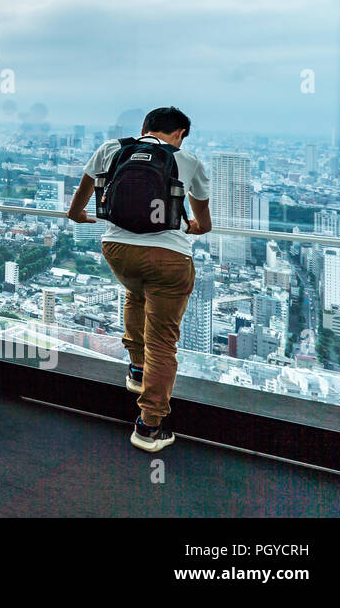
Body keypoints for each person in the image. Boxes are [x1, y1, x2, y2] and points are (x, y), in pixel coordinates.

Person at [67, 106, 212, 452]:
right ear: (178, 134)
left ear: (144, 128)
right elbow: (203, 220)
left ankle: (136, 369)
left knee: (135, 293)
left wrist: (81, 217)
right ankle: (149, 426)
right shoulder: (186, 159)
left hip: (117, 250)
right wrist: (194, 225)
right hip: (168, 257)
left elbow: (77, 207)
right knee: (163, 341)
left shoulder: (112, 149)